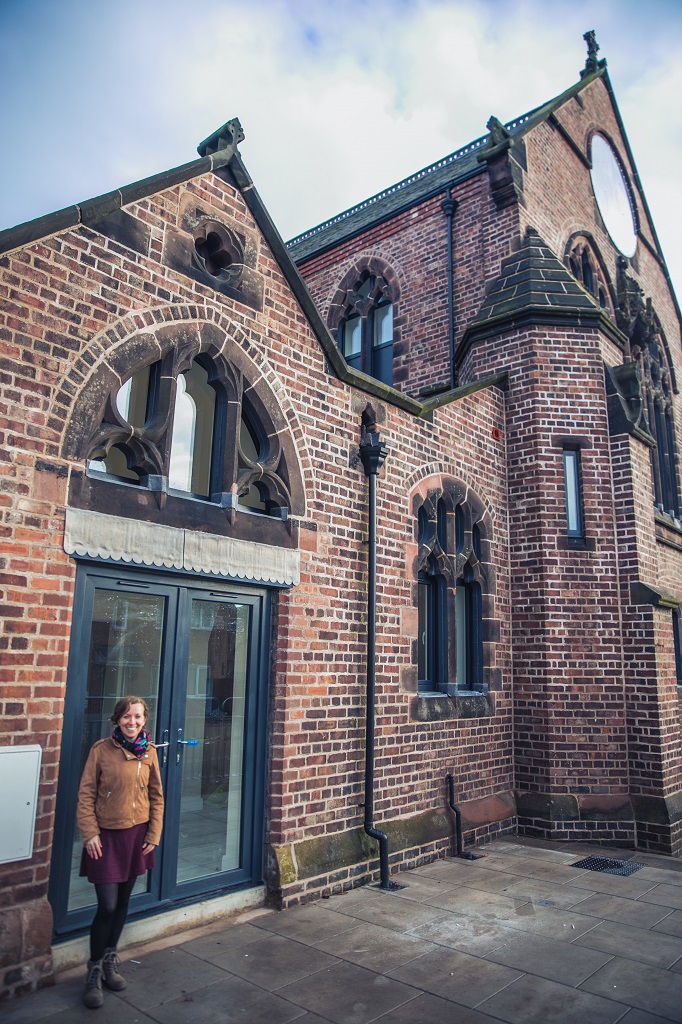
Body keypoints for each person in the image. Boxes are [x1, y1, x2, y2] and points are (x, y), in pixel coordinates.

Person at [76, 696, 164, 1009]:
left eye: (138, 717)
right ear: (117, 719)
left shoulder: (149, 752)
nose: (132, 722)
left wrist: (153, 834)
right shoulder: (101, 750)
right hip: (105, 838)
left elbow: (157, 797)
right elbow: (85, 795)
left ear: (144, 720)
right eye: (127, 717)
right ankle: (94, 968)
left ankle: (110, 958)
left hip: (137, 836)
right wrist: (90, 833)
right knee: (108, 905)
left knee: (124, 900)